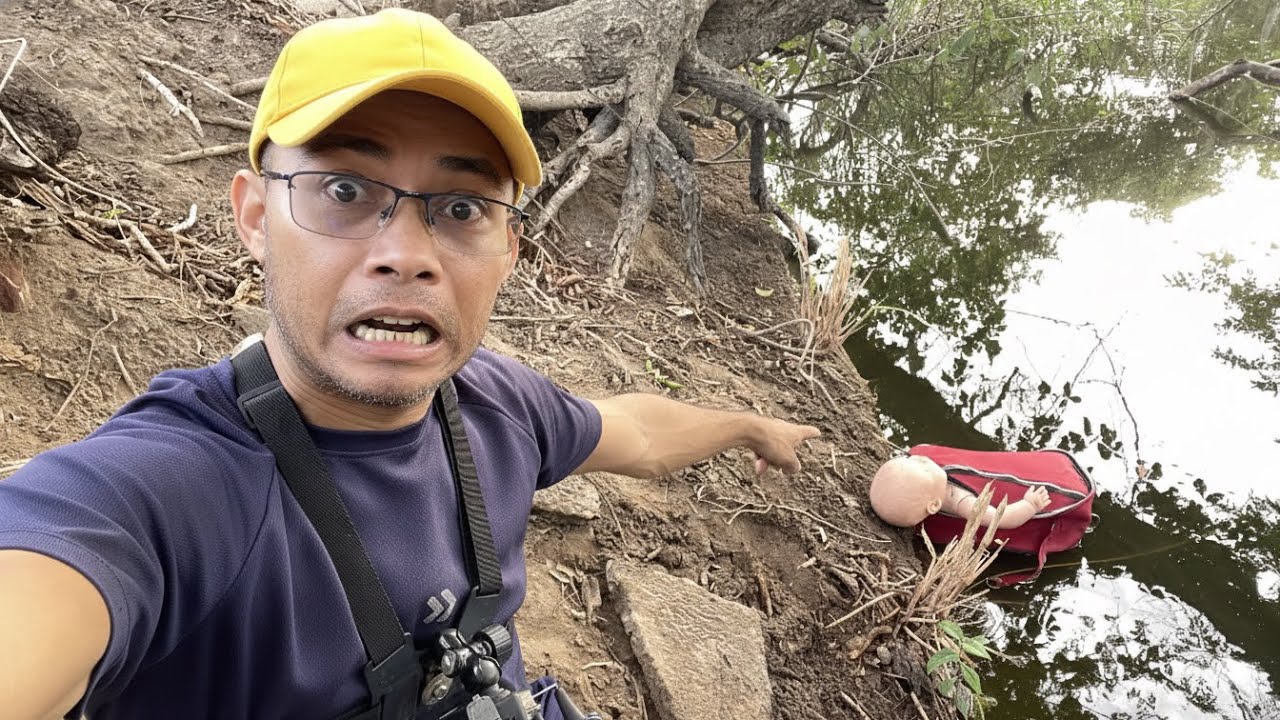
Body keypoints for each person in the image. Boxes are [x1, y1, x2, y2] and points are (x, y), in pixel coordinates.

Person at [0, 9, 820, 720]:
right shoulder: (170, 492)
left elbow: (634, 430)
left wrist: (748, 424)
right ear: (255, 217)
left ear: (507, 249)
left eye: (460, 208)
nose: (406, 255)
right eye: (345, 191)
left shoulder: (500, 404)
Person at [868, 455, 1051, 529]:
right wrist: (1030, 504)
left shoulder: (931, 489)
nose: (920, 458)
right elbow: (999, 519)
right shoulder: (961, 502)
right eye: (924, 467)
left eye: (910, 458)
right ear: (934, 505)